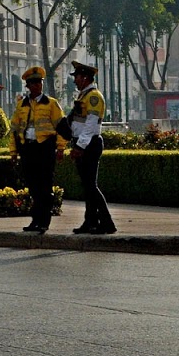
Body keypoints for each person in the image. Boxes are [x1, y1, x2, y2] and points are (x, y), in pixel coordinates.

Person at [8, 66, 63, 234]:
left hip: (45, 147)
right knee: (33, 187)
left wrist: (61, 147)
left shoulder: (51, 103)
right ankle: (35, 220)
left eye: (39, 83)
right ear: (28, 86)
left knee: (45, 186)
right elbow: (14, 130)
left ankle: (44, 221)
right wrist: (13, 152)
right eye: (33, 83)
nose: (37, 86)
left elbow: (61, 127)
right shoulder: (21, 105)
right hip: (28, 148)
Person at [64, 61, 117, 235]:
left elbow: (91, 124)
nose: (75, 81)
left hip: (89, 144)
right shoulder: (83, 96)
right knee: (87, 187)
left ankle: (107, 222)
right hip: (84, 143)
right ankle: (91, 221)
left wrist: (80, 146)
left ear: (85, 77)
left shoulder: (94, 97)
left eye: (77, 77)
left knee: (91, 186)